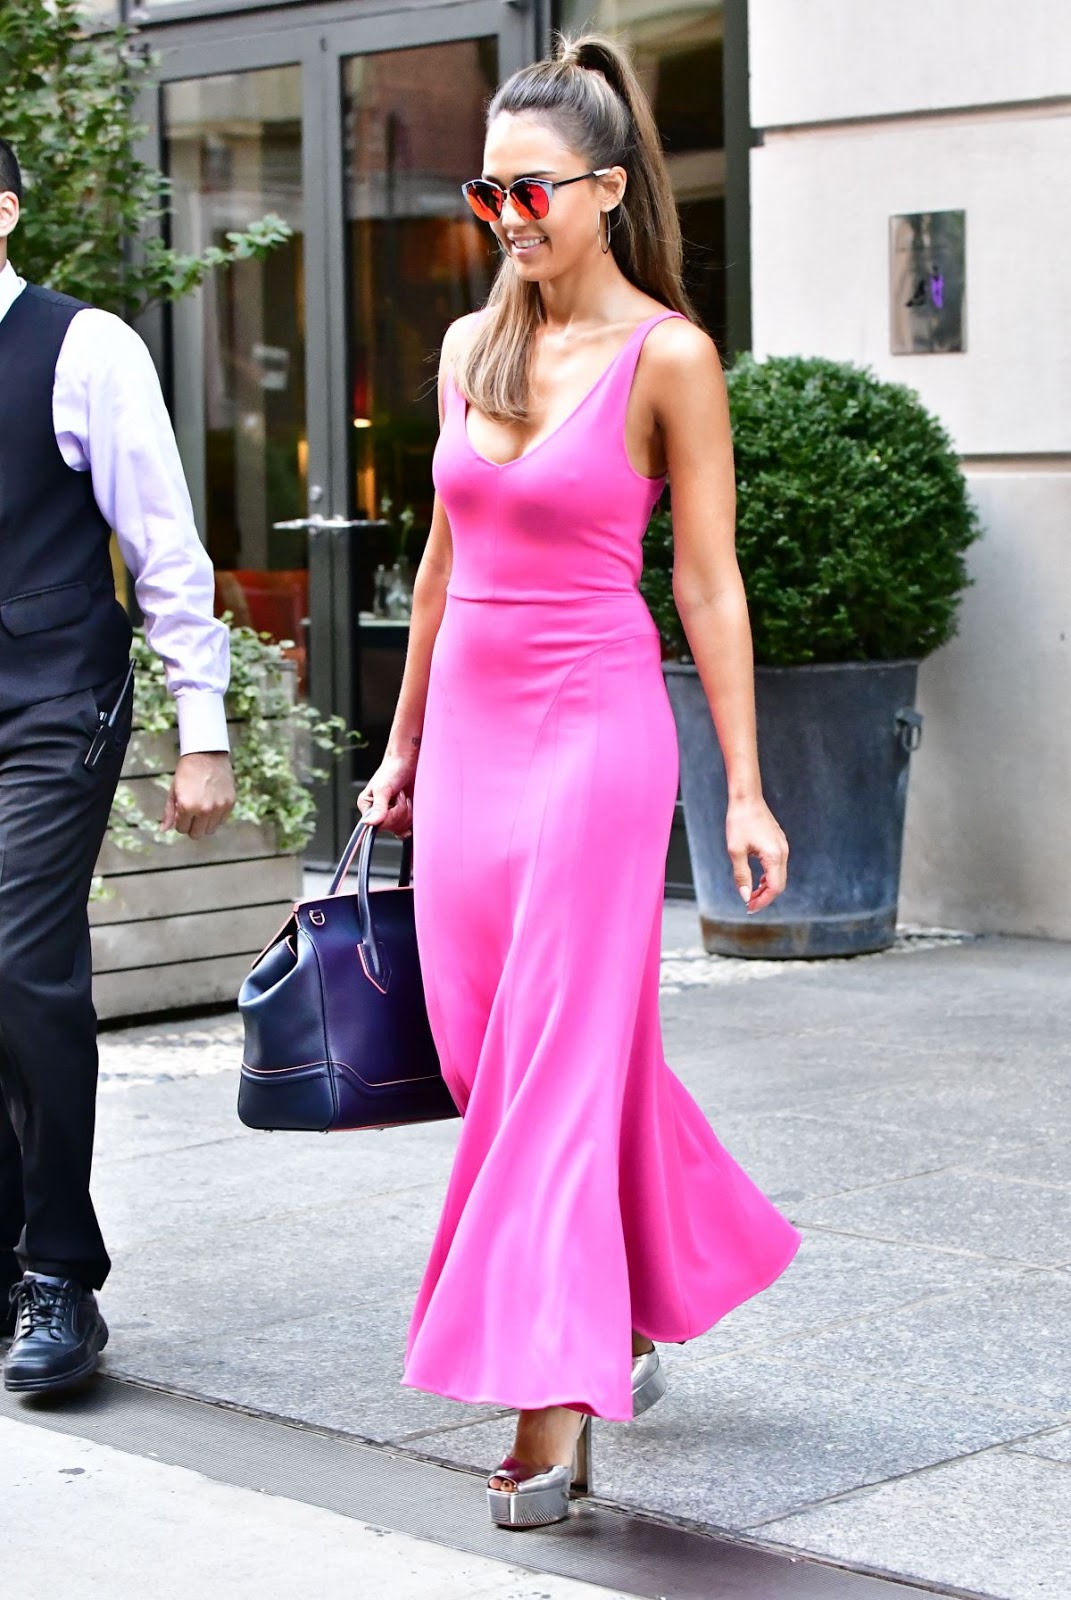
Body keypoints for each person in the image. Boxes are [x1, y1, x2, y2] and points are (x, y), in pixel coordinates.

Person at [356, 33, 801, 1530]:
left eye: (534, 190)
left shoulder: (667, 355)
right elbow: (435, 568)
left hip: (596, 730)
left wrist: (740, 787)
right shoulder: (463, 350)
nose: (509, 216)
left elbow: (708, 583)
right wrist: (402, 743)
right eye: (490, 192)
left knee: (549, 1066)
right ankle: (625, 1294)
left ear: (607, 188)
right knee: (499, 1054)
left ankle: (548, 1413)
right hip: (473, 738)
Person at [0, 139, 236, 1394]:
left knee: (18, 963)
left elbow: (164, 548)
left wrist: (204, 730)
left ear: (3, 208)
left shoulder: (85, 348)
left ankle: (60, 1273)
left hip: (53, 700)